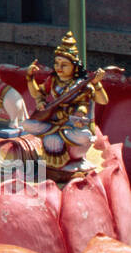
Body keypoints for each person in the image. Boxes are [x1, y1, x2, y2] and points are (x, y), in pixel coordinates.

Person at [24, 32, 108, 172]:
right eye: (57, 63)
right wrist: (30, 79)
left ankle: (73, 160)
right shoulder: (53, 80)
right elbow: (38, 94)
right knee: (26, 124)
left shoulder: (81, 84)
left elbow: (103, 100)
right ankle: (57, 158)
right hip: (54, 121)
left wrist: (97, 84)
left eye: (64, 65)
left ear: (75, 67)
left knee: (84, 136)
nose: (59, 68)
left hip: (71, 125)